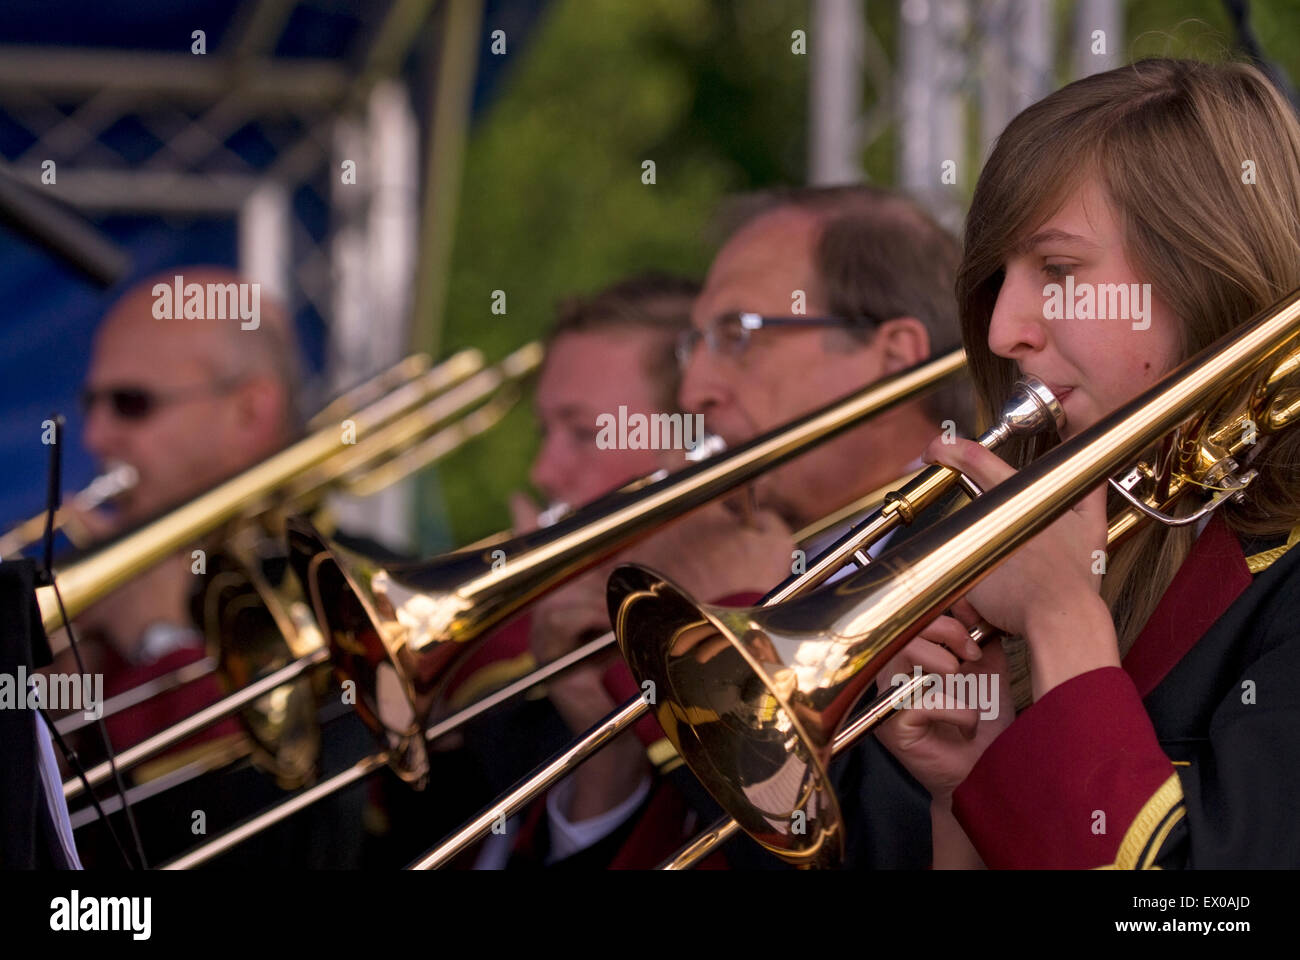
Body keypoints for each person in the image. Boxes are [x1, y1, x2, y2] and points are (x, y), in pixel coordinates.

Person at [875, 57, 1300, 868]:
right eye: (1000, 278)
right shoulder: (1130, 524)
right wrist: (973, 788)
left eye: (1060, 272)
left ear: (1206, 269)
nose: (1002, 332)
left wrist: (1059, 615)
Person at [544, 186, 974, 869]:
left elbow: (869, 850)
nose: (695, 392)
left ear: (894, 355)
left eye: (738, 336)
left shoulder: (982, 560)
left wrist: (728, 625)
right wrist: (609, 744)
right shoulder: (794, 550)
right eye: (696, 346)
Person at [58, 265, 370, 867]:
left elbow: (304, 845)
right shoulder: (97, 592)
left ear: (249, 412)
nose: (96, 436)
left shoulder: (346, 588)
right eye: (91, 404)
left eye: (131, 403)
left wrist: (158, 642)